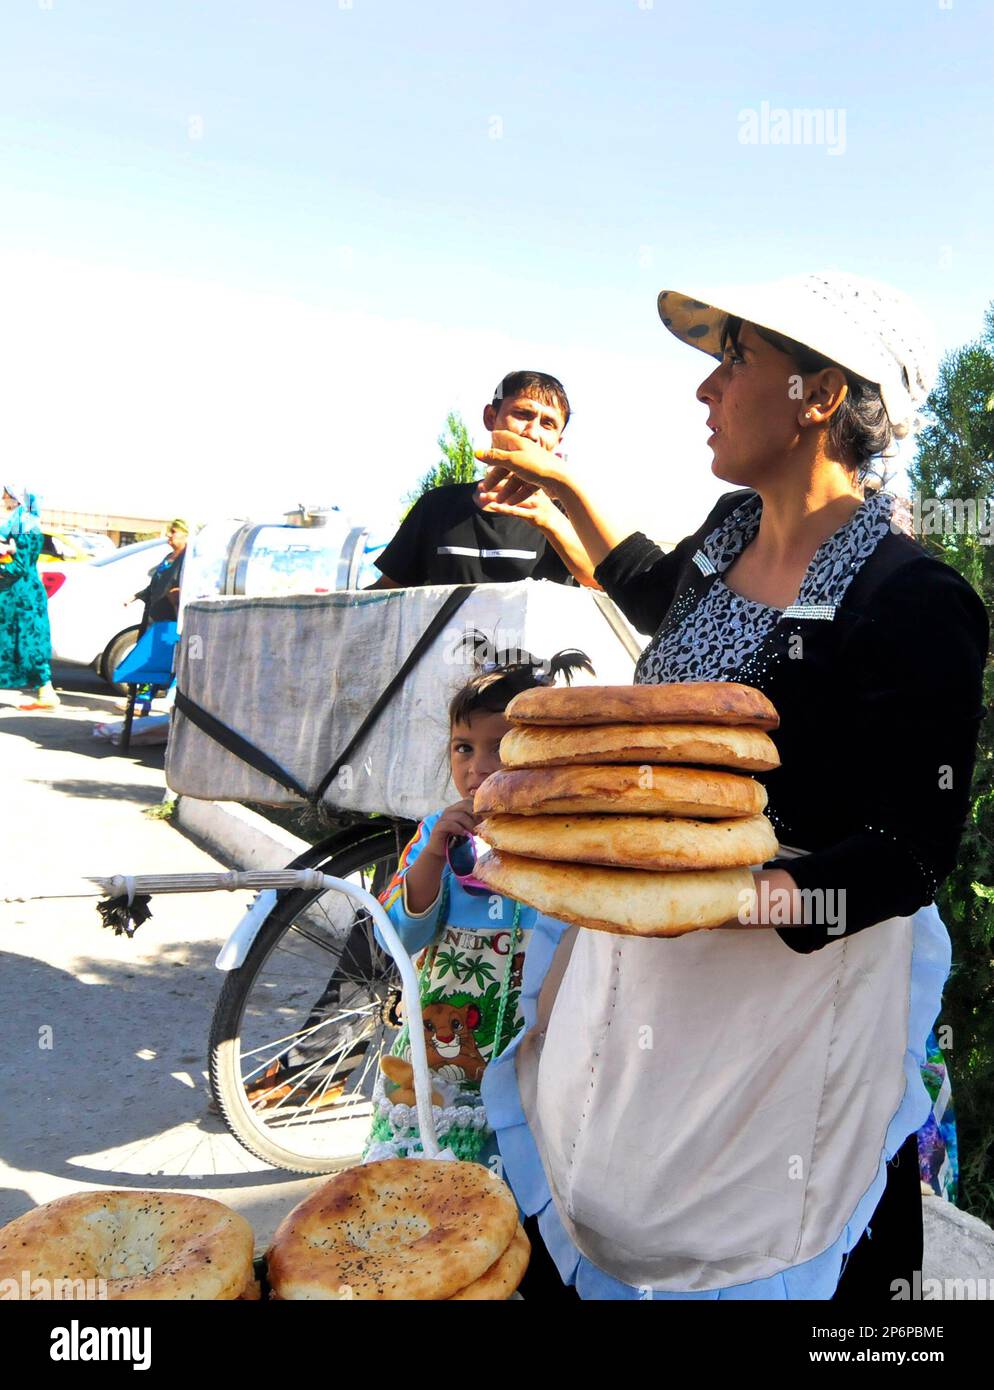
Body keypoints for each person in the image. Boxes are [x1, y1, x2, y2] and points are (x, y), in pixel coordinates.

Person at [473, 271, 989, 1300]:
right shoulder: (726, 535)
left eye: (732, 360)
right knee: (605, 1200)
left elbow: (910, 851)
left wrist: (728, 897)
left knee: (755, 1239)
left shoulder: (910, 598)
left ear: (819, 396)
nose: (703, 390)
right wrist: (569, 501)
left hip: (791, 1010)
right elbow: (670, 608)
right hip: (645, 973)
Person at [362, 636, 594, 1165]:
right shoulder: (435, 836)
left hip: (532, 1040)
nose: (478, 766)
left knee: (518, 1166)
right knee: (427, 1173)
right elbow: (396, 935)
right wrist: (434, 858)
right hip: (444, 1042)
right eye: (464, 747)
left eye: (501, 747)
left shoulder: (564, 841)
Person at [367, 371, 599, 589]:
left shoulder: (570, 510)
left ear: (558, 440)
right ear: (490, 417)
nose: (532, 432)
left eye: (548, 424)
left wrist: (548, 518)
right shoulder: (436, 506)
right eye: (522, 414)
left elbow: (605, 582)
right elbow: (386, 592)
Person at [0, 485, 60, 710]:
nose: (3, 497)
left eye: (6, 493)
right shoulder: (23, 521)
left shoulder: (23, 523)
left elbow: (19, 565)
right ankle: (46, 692)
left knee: (28, 641)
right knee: (22, 641)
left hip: (20, 594)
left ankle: (47, 692)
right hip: (20, 592)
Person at [132, 519, 188, 622]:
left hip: (171, 618)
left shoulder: (188, 559)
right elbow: (157, 583)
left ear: (186, 535)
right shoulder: (169, 557)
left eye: (173, 532)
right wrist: (135, 596)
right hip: (155, 614)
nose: (168, 534)